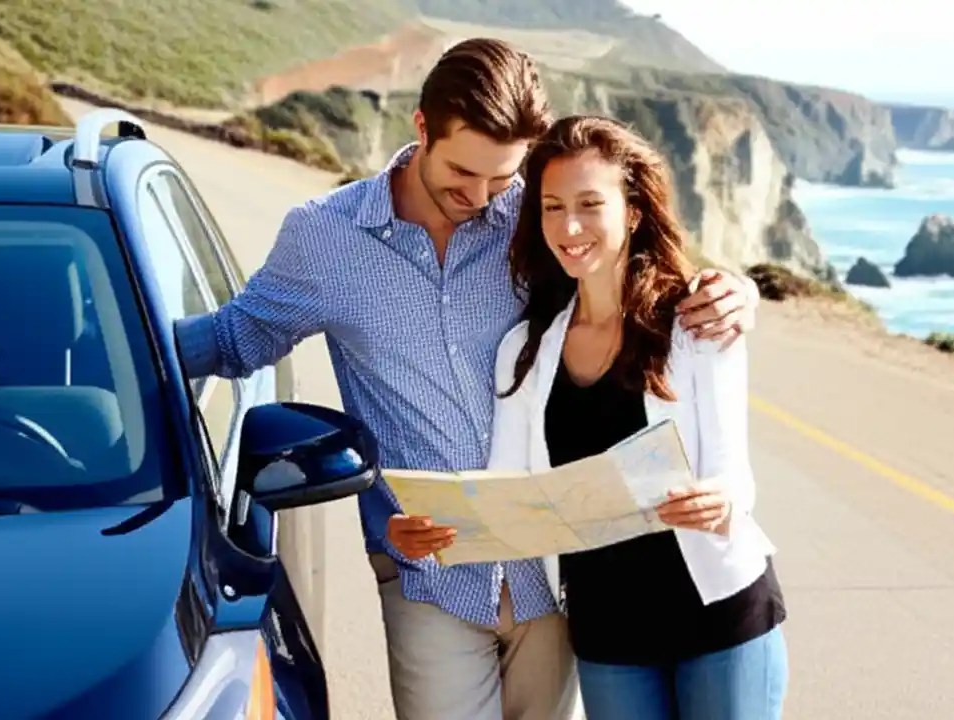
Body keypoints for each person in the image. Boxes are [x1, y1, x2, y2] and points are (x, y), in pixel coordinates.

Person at [174, 38, 764, 720]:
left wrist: (733, 289)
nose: (481, 197)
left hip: (553, 574)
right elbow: (233, 338)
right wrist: (113, 352)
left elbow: (627, 269)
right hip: (430, 575)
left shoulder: (533, 219)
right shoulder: (324, 239)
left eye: (500, 177)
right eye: (462, 172)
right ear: (421, 127)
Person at [485, 115, 788, 719]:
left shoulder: (698, 322)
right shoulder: (524, 349)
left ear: (632, 211)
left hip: (719, 616)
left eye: (590, 204)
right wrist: (435, 531)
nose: (569, 227)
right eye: (551, 207)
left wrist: (720, 502)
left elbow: (735, 477)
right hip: (607, 634)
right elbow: (506, 495)